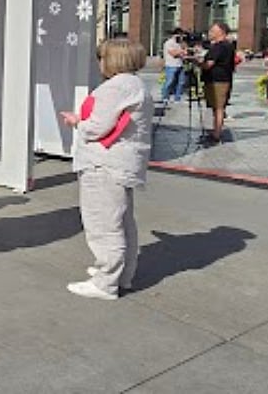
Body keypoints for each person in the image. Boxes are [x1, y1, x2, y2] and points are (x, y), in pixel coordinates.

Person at [59, 38, 152, 300]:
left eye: (101, 57)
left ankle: (105, 281)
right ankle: (122, 275)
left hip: (103, 163)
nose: (99, 62)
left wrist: (77, 122)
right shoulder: (136, 85)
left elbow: (97, 127)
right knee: (121, 221)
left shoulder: (114, 88)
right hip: (122, 163)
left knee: (102, 223)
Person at [195, 22, 236, 144]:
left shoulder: (220, 46)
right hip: (219, 79)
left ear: (221, 32)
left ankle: (216, 134)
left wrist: (195, 62)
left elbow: (208, 64)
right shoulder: (226, 45)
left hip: (218, 80)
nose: (210, 33)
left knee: (218, 107)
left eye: (213, 30)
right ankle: (215, 131)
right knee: (216, 107)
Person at [160, 29, 186, 103]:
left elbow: (184, 53)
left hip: (180, 64)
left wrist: (183, 49)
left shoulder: (180, 44)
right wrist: (181, 51)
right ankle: (165, 97)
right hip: (171, 65)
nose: (181, 38)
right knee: (169, 81)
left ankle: (177, 98)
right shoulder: (169, 43)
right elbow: (173, 54)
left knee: (181, 82)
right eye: (180, 36)